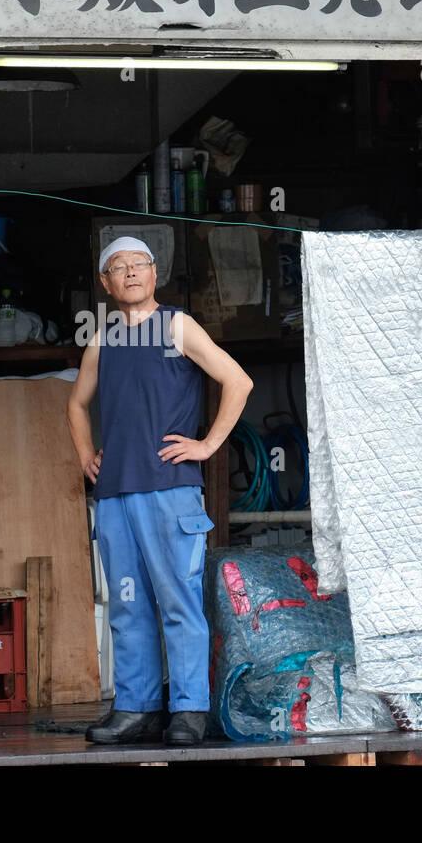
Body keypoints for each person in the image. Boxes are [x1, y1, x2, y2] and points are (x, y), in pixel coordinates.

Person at [67, 236, 253, 746]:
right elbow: (77, 404)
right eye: (117, 268)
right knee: (127, 606)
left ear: (154, 274)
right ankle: (135, 707)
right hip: (114, 495)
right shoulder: (102, 340)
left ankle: (189, 710)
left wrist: (208, 444)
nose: (129, 274)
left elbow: (237, 381)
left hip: (169, 490)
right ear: (105, 283)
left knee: (178, 602)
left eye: (138, 265)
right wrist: (87, 455)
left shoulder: (176, 326)